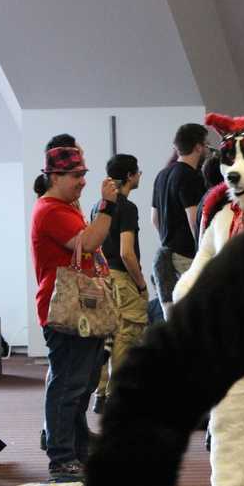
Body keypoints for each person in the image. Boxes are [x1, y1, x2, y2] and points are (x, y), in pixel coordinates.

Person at [31, 146, 119, 482]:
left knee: (79, 387)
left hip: (79, 312)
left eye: (83, 174)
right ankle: (61, 459)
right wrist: (107, 206)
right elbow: (91, 241)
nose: (83, 181)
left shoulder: (63, 208)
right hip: (66, 314)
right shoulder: (51, 210)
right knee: (68, 386)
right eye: (76, 175)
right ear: (54, 177)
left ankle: (75, 451)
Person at [90, 155, 149, 415]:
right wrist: (141, 284)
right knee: (127, 336)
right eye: (137, 172)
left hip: (101, 276)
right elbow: (127, 252)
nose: (139, 175)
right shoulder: (127, 208)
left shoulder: (98, 206)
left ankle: (101, 394)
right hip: (122, 279)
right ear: (129, 176)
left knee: (106, 336)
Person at [151, 123, 208, 319]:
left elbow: (154, 219)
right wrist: (203, 253)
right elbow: (194, 219)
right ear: (198, 147)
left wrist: (169, 239)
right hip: (188, 256)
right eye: (206, 145)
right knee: (197, 313)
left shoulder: (162, 175)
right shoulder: (190, 176)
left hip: (169, 255)